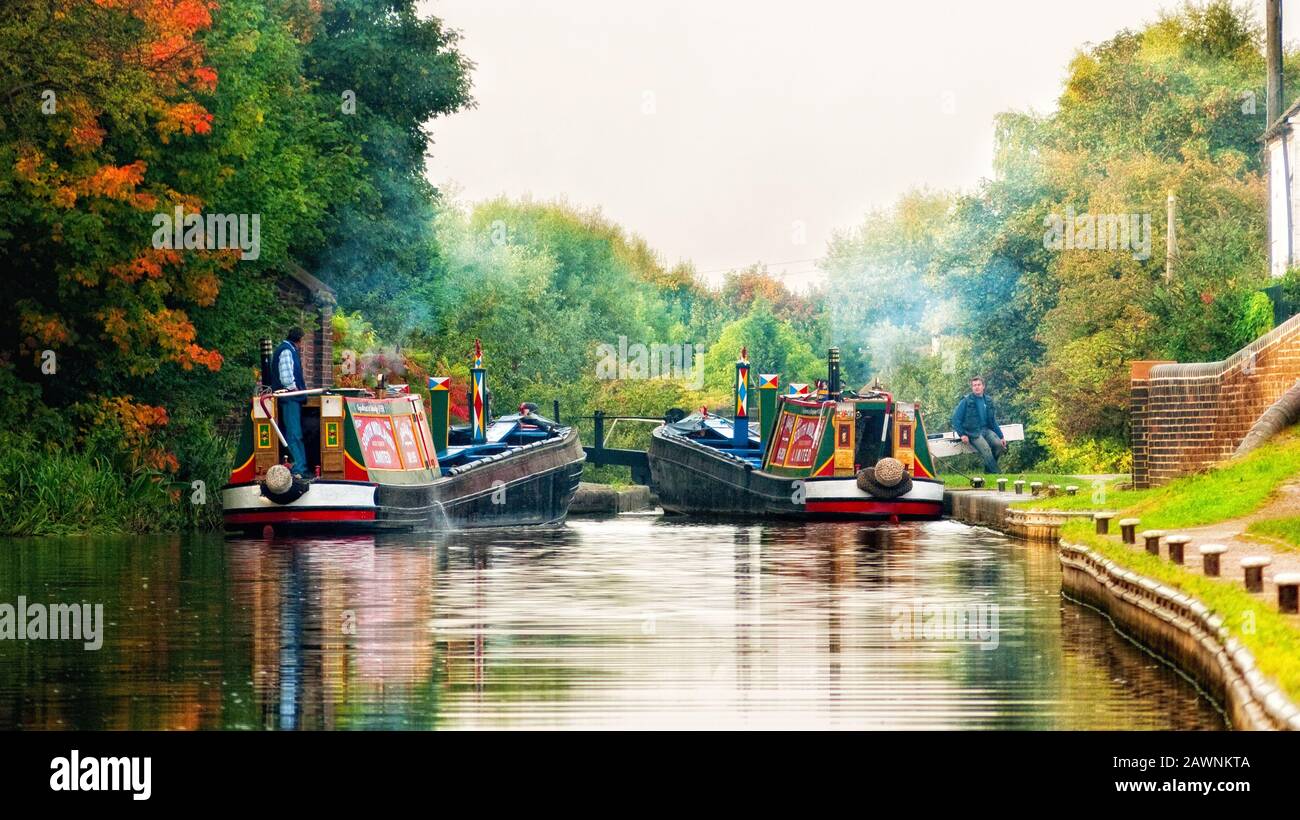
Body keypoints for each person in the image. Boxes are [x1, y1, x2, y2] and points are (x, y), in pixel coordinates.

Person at [272, 327, 309, 479]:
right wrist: (297, 389)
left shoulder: (288, 349)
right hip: (290, 398)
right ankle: (298, 467)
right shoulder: (287, 351)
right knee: (294, 434)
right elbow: (287, 378)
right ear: (299, 340)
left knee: (294, 433)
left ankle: (300, 466)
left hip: (291, 398)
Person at [951, 376, 1005, 474]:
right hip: (972, 433)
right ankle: (997, 474)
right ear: (972, 387)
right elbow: (956, 419)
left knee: (999, 446)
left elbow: (993, 421)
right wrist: (962, 434)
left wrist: (1001, 436)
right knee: (986, 449)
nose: (976, 387)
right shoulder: (966, 401)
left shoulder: (988, 400)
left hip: (986, 430)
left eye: (979, 385)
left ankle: (989, 472)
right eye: (974, 385)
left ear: (983, 386)